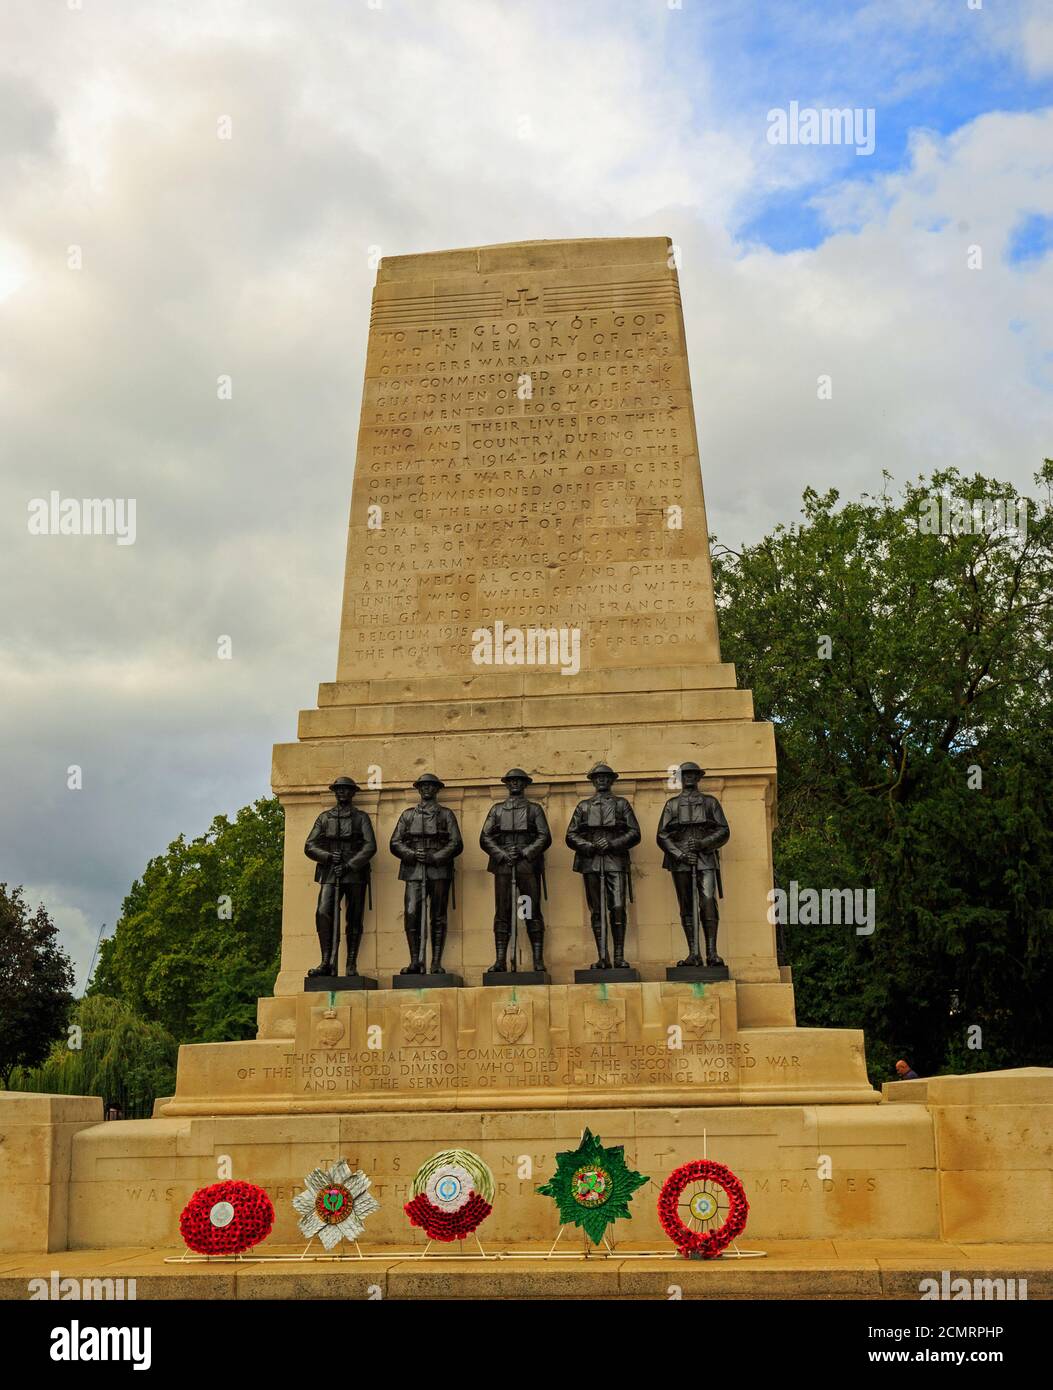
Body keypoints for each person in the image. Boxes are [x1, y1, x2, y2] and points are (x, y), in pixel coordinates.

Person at [565, 763, 641, 969]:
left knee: (617, 907)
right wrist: (589, 846)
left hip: (615, 861)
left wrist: (613, 843)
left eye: (606, 777)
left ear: (612, 780)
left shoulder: (621, 804)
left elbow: (634, 832)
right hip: (591, 862)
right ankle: (602, 957)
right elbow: (571, 835)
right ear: (592, 780)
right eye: (598, 777)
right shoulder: (583, 806)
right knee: (597, 911)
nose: (602, 780)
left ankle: (618, 956)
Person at [656, 762, 730, 968]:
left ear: (698, 777)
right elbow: (662, 835)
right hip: (680, 862)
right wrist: (679, 854)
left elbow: (723, 830)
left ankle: (712, 952)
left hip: (705, 859)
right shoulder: (671, 805)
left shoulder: (710, 802)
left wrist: (703, 844)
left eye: (692, 774)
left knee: (707, 901)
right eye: (685, 774)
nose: (689, 778)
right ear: (680, 778)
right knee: (686, 906)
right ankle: (693, 953)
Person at [389, 772, 463, 974]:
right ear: (418, 789)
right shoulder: (408, 815)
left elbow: (456, 843)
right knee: (412, 914)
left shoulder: (446, 814)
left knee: (438, 916)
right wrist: (412, 854)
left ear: (437, 789)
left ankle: (436, 962)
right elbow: (395, 842)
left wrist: (436, 857)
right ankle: (415, 961)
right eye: (423, 786)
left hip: (438, 869)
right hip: (413, 869)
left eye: (431, 786)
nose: (427, 789)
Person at [480, 768, 551, 973]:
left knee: (529, 910)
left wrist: (525, 852)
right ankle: (500, 960)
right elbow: (485, 837)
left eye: (519, 781)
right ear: (507, 784)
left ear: (525, 784)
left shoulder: (534, 809)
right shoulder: (497, 810)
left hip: (526, 867)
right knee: (503, 911)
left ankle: (537, 960)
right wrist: (502, 854)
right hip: (503, 867)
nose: (515, 784)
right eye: (511, 781)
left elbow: (544, 836)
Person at [304, 776, 377, 976]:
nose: (342, 792)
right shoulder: (324, 818)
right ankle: (326, 961)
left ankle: (351, 963)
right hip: (329, 872)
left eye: (346, 789)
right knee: (323, 912)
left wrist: (349, 865)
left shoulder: (361, 818)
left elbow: (370, 846)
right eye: (339, 789)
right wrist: (328, 857)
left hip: (354, 873)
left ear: (353, 792)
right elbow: (309, 846)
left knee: (354, 918)